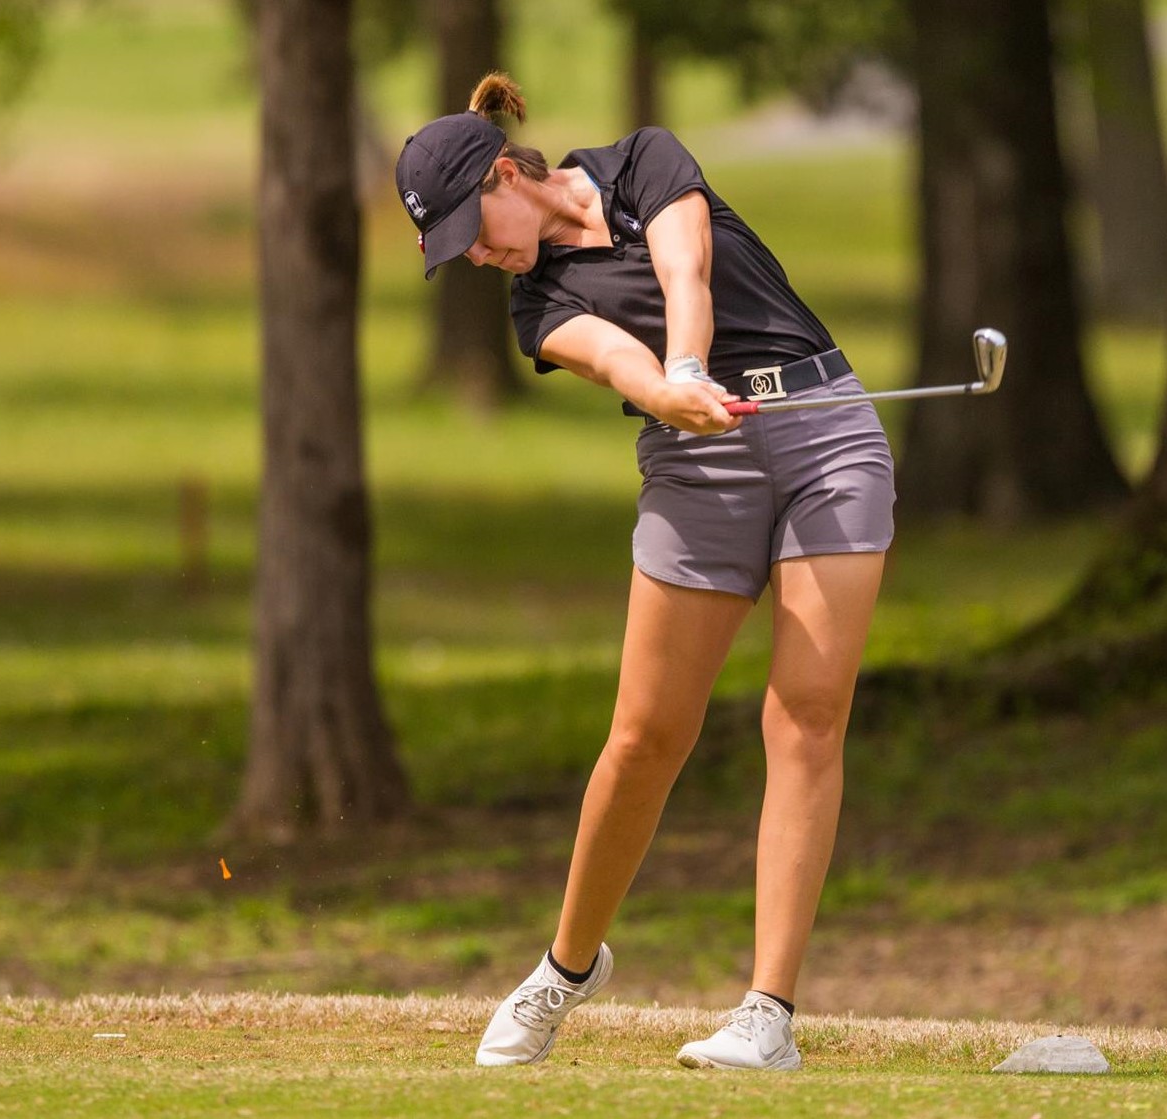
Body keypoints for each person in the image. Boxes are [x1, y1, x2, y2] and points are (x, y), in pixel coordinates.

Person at [394, 72, 895, 1071]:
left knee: (805, 714)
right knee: (645, 735)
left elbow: (686, 279)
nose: (482, 257)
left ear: (505, 172)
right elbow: (622, 362)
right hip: (695, 460)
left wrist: (692, 366)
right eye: (458, 253)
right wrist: (671, 393)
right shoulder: (537, 309)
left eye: (474, 229)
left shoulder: (641, 163)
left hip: (823, 431)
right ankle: (565, 969)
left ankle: (768, 1014)